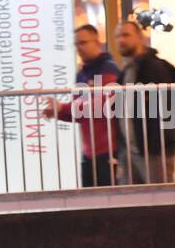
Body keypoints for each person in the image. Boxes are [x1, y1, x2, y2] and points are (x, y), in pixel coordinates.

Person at [43, 25, 122, 186]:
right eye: (76, 44)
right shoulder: (83, 73)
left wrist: (62, 108)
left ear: (97, 42)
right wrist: (58, 112)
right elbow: (79, 110)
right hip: (89, 154)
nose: (79, 48)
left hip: (109, 152)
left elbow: (102, 105)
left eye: (83, 43)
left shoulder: (108, 69)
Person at [114, 20, 175, 184]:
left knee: (160, 201)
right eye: (117, 36)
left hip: (154, 152)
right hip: (131, 151)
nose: (121, 40)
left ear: (140, 37)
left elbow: (168, 108)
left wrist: (159, 144)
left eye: (126, 35)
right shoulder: (127, 71)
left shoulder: (155, 68)